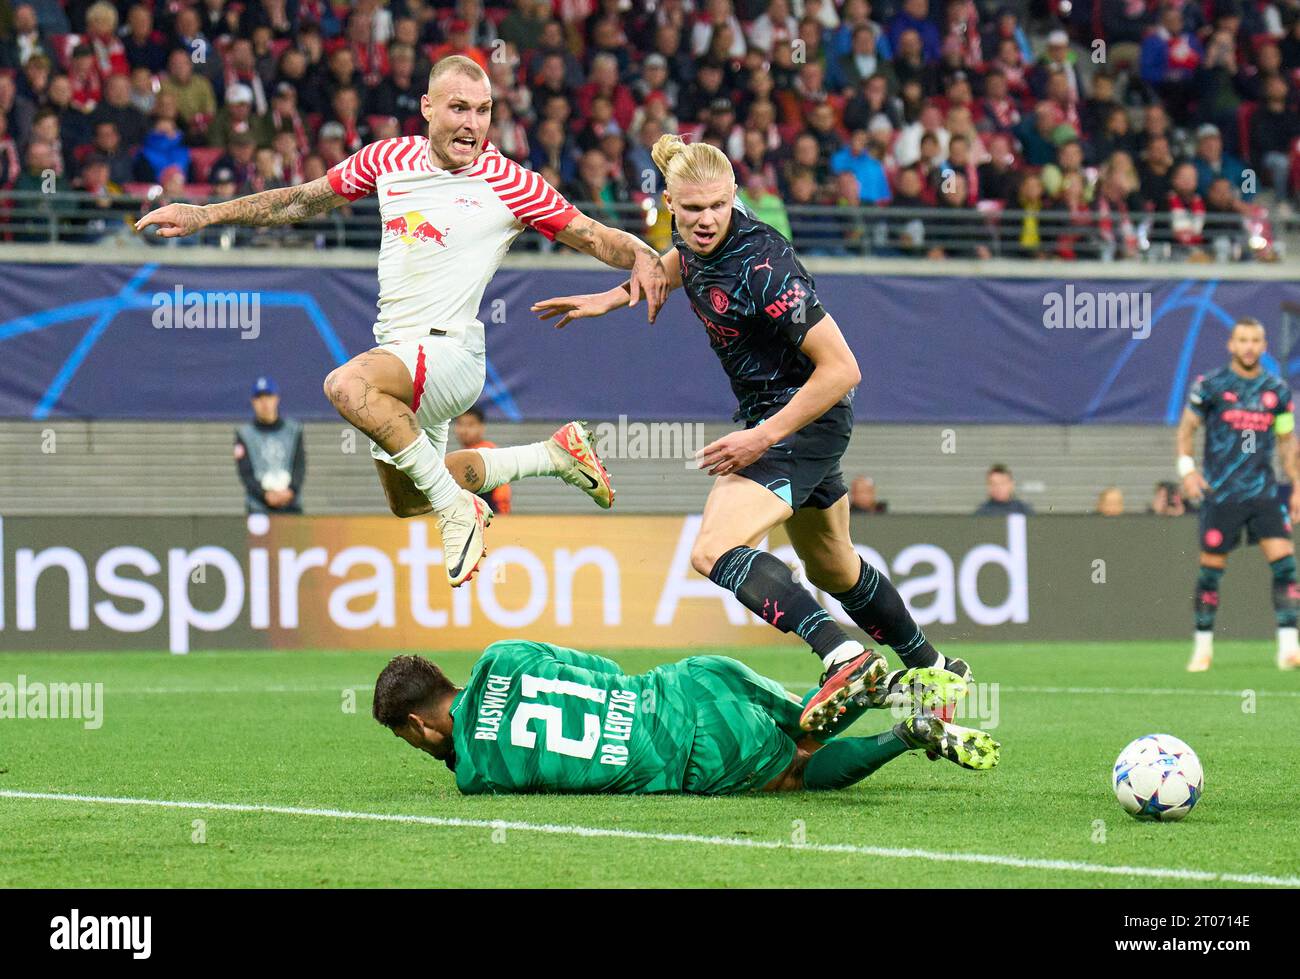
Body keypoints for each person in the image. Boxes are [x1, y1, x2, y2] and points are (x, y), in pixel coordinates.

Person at [136, 55, 668, 588]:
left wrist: (644, 253)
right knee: (408, 500)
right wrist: (204, 213)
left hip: (450, 355)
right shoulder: (387, 158)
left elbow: (595, 235)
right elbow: (298, 202)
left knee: (345, 386)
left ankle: (458, 511)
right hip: (401, 357)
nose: (472, 123)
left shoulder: (510, 181)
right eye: (458, 108)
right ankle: (552, 455)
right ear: (427, 108)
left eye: (483, 110)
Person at [531, 135, 972, 735]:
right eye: (692, 209)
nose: (706, 219)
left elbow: (843, 370)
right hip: (783, 419)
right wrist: (611, 298)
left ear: (735, 196)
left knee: (712, 549)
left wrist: (761, 437)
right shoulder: (695, 244)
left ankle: (844, 657)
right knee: (832, 566)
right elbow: (676, 263)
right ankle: (936, 671)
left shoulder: (765, 267)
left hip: (800, 417)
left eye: (718, 205)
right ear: (670, 205)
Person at [372, 640, 998, 796]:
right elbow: (601, 665)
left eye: (408, 739)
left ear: (419, 726)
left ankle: (906, 732)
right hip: (693, 678)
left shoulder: (477, 774)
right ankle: (873, 687)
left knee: (798, 772)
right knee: (806, 721)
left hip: (690, 749)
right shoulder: (501, 656)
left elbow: (476, 747)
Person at [1176, 317, 1300, 671]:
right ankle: (1202, 649)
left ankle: (1289, 649)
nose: (1248, 347)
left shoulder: (1277, 391)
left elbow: (1286, 441)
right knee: (1210, 572)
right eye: (1242, 340)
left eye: (1255, 341)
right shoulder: (1210, 386)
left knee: (1285, 565)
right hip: (1222, 494)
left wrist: (1297, 485)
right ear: (1231, 345)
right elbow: (1186, 429)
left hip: (1263, 493)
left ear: (1264, 346)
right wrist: (1187, 471)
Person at [234, 376, 305, 514]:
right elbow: (246, 473)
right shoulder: (244, 434)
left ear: (276, 399)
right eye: (259, 398)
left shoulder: (293, 430)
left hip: (291, 506)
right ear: (253, 402)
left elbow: (299, 466)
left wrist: (290, 491)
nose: (264, 403)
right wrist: (265, 495)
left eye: (268, 397)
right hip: (258, 508)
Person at [453, 405, 510, 514]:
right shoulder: (461, 455)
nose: (464, 430)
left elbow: (502, 489)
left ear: (481, 427)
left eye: (470, 425)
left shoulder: (488, 452)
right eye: (460, 424)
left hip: (491, 516)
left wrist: (501, 514)